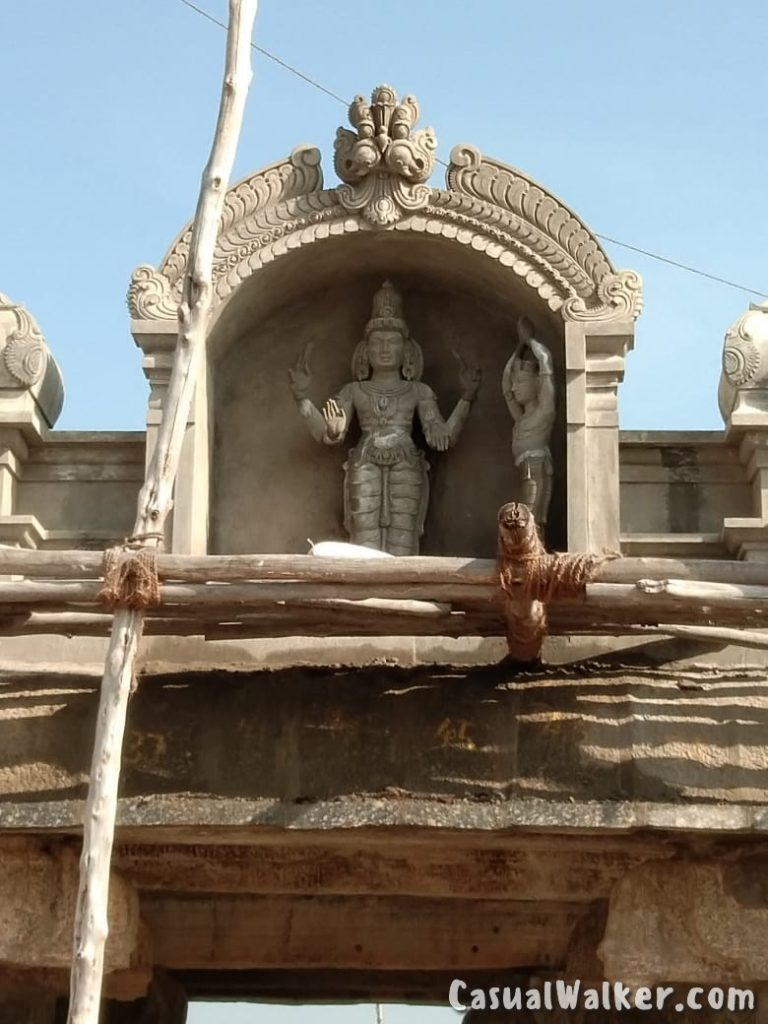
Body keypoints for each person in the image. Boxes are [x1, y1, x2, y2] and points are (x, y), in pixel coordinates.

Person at [289, 280, 480, 555]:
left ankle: (402, 593)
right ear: (364, 351)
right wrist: (303, 399)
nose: (385, 348)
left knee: (403, 536)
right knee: (363, 531)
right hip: (364, 462)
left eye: (392, 342)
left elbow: (441, 437)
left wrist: (466, 398)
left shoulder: (417, 390)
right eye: (378, 342)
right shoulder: (354, 390)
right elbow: (328, 433)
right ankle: (365, 591)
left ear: (408, 351)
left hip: (406, 463)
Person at [501, 316, 556, 530]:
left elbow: (545, 360)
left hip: (537, 471)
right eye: (516, 383)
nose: (515, 388)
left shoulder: (544, 411)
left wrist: (529, 340)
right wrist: (518, 347)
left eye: (521, 382)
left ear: (537, 383)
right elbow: (505, 386)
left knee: (530, 522)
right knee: (525, 521)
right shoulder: (521, 418)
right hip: (526, 472)